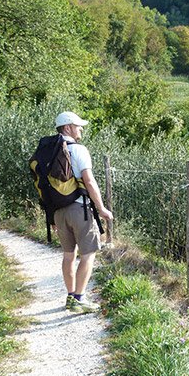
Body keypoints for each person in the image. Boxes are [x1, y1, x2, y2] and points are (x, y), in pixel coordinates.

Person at [52, 111, 113, 312]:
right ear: (67, 127)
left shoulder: (50, 150)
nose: (81, 129)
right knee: (89, 253)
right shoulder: (78, 150)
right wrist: (102, 208)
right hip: (80, 208)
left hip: (58, 211)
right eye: (78, 126)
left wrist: (50, 214)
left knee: (69, 254)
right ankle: (79, 299)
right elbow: (89, 180)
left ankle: (71, 297)